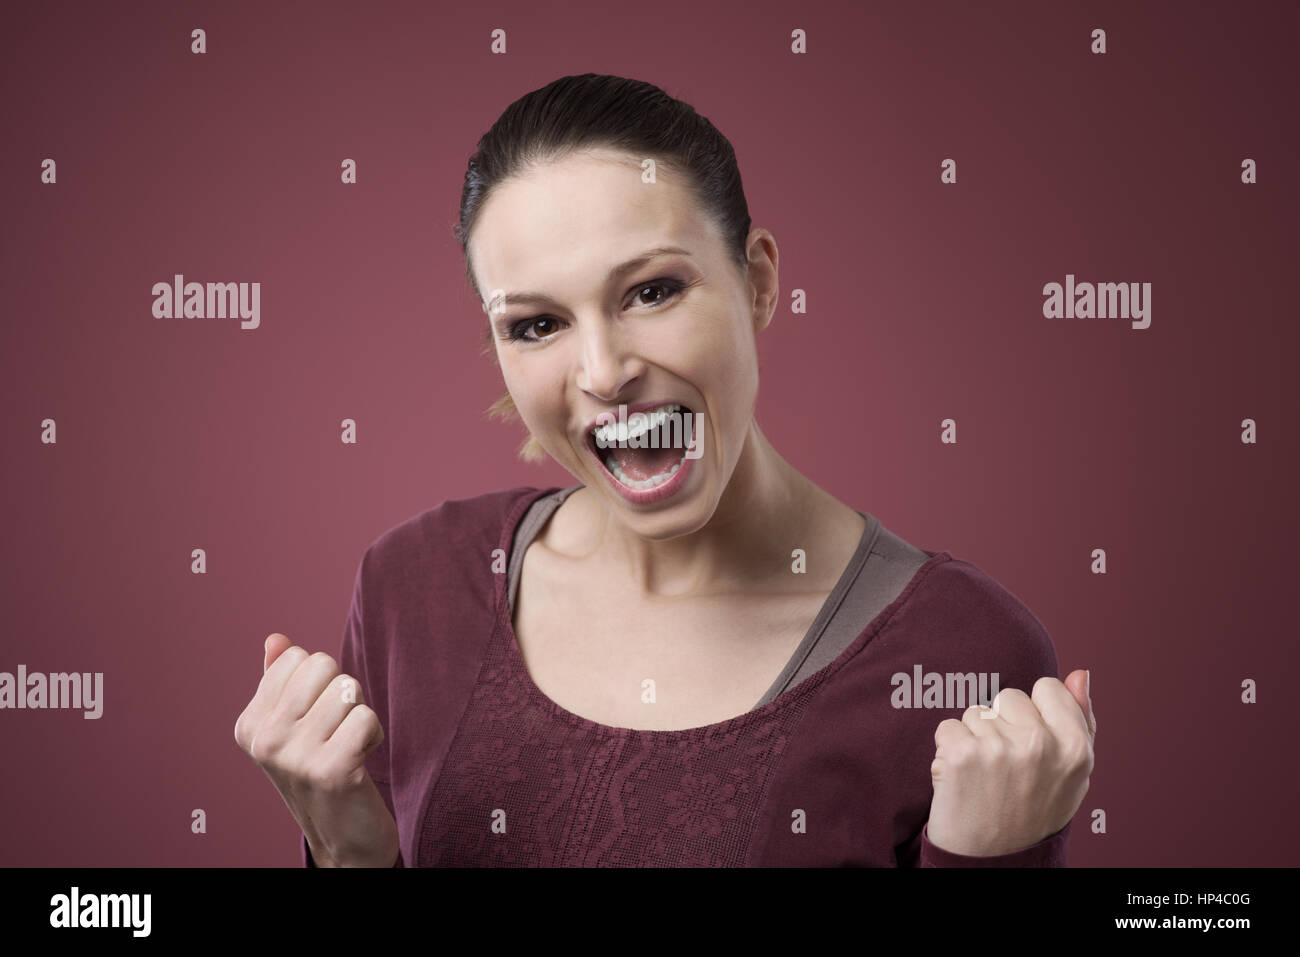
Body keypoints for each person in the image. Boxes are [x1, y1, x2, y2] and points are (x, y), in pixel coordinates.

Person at [235, 73, 1096, 867]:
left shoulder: (960, 653)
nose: (603, 371)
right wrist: (348, 853)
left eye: (651, 291)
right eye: (537, 324)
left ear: (757, 281)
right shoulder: (410, 588)